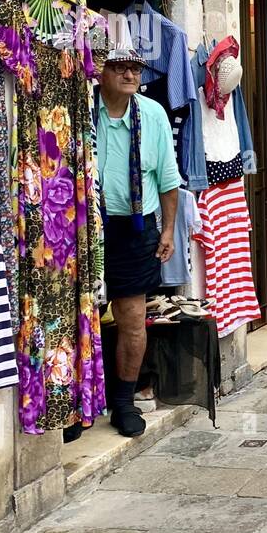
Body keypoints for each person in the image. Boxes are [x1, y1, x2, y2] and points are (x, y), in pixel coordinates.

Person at [95, 48, 182, 438]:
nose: (130, 74)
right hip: (84, 227)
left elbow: (167, 178)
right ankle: (79, 403)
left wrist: (167, 230)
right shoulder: (82, 112)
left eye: (135, 68)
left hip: (135, 228)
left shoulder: (153, 115)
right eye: (120, 67)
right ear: (101, 71)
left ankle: (124, 402)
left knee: (131, 319)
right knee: (79, 318)